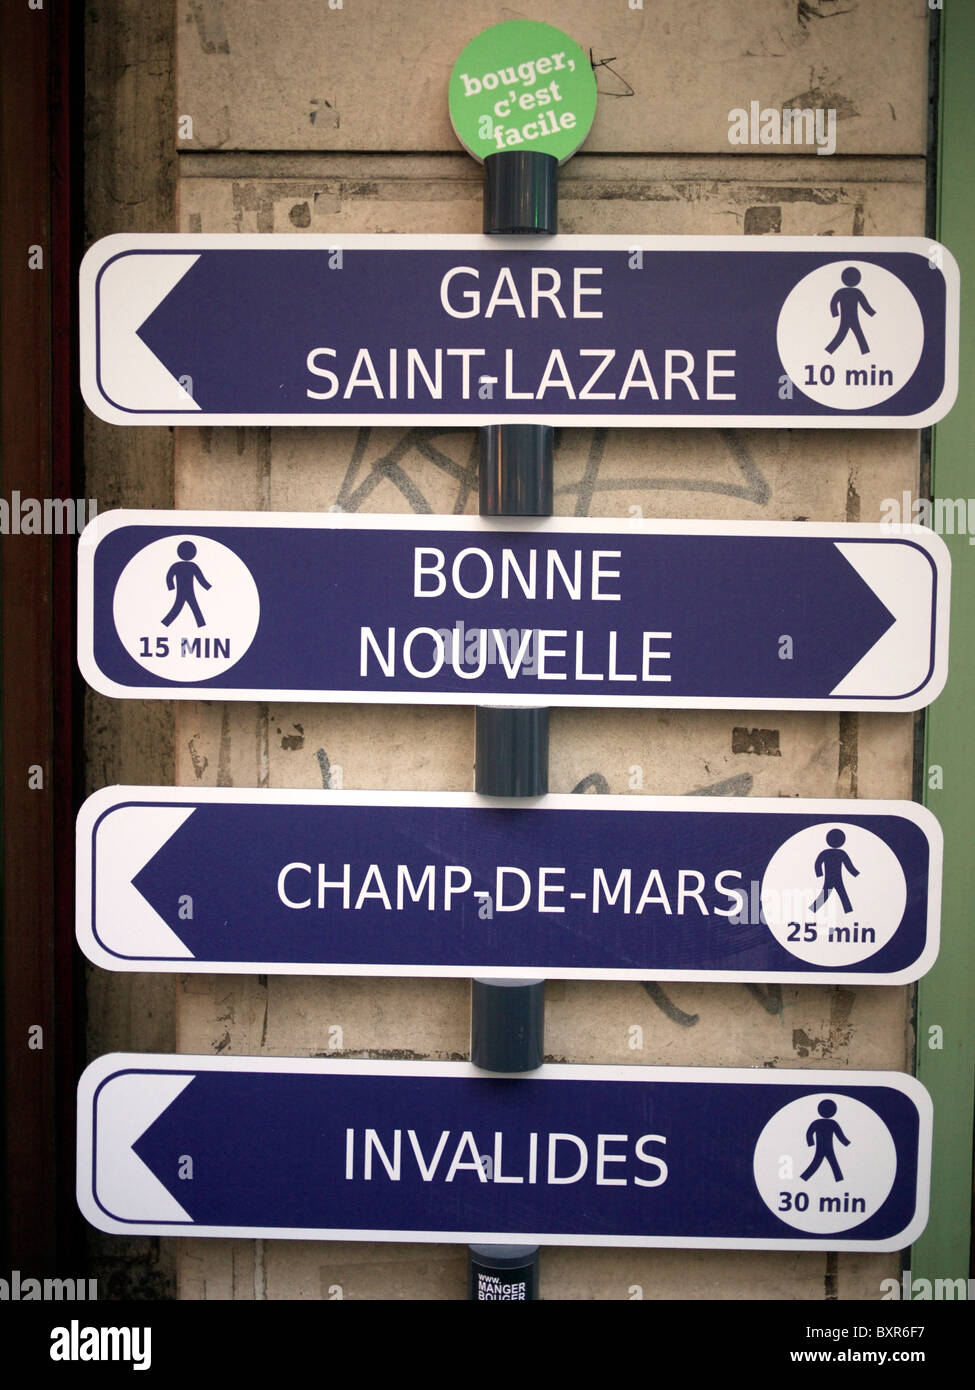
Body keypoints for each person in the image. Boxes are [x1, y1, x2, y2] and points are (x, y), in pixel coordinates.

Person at [161, 540, 211, 628]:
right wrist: (171, 587)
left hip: (187, 590)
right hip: (185, 590)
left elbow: (200, 578)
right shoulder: (189, 566)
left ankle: (166, 623)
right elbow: (169, 577)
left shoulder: (181, 565)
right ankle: (201, 624)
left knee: (182, 607)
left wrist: (208, 587)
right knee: (186, 607)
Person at [825, 266, 875, 355]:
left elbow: (864, 304)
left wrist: (872, 313)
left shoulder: (848, 292)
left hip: (851, 317)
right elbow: (834, 302)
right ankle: (865, 351)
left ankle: (830, 350)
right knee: (848, 334)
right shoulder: (853, 292)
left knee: (846, 334)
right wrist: (835, 313)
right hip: (848, 317)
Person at [810, 827, 858, 914]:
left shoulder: (828, 852)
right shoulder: (839, 853)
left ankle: (848, 911)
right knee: (834, 893)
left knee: (834, 893)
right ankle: (848, 910)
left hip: (834, 877)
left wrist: (819, 874)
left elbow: (818, 864)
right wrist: (819, 874)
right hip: (832, 877)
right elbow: (818, 863)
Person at [800, 1099, 850, 1183]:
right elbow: (809, 1133)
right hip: (825, 1147)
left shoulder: (818, 1122)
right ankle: (839, 1179)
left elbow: (809, 1134)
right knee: (826, 1162)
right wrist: (846, 1143)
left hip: (824, 1147)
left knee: (821, 1162)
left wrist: (811, 1143)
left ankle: (805, 1177)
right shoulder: (831, 1123)